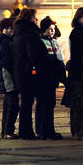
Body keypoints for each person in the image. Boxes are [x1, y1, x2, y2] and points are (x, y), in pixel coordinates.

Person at [12, 7, 50, 139]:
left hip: (21, 72)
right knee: (28, 103)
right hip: (29, 73)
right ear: (30, 19)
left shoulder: (17, 32)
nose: (37, 20)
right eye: (35, 18)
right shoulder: (30, 33)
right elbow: (35, 54)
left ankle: (25, 131)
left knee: (26, 103)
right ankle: (27, 132)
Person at [62, 7, 83, 136]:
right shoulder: (77, 32)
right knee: (78, 102)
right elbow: (79, 54)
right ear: (78, 18)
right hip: (79, 70)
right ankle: (79, 130)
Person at [35, 16, 65, 140]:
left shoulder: (56, 42)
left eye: (53, 29)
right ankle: (41, 130)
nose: (51, 31)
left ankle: (49, 129)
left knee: (50, 104)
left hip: (53, 78)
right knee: (42, 104)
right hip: (43, 78)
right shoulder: (40, 42)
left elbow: (60, 60)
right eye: (49, 29)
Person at [0, 17, 19, 137]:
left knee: (9, 104)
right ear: (4, 29)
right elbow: (5, 62)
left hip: (6, 76)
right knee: (12, 105)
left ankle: (6, 131)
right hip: (7, 76)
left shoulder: (3, 41)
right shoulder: (3, 42)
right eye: (10, 28)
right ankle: (8, 131)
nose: (11, 31)